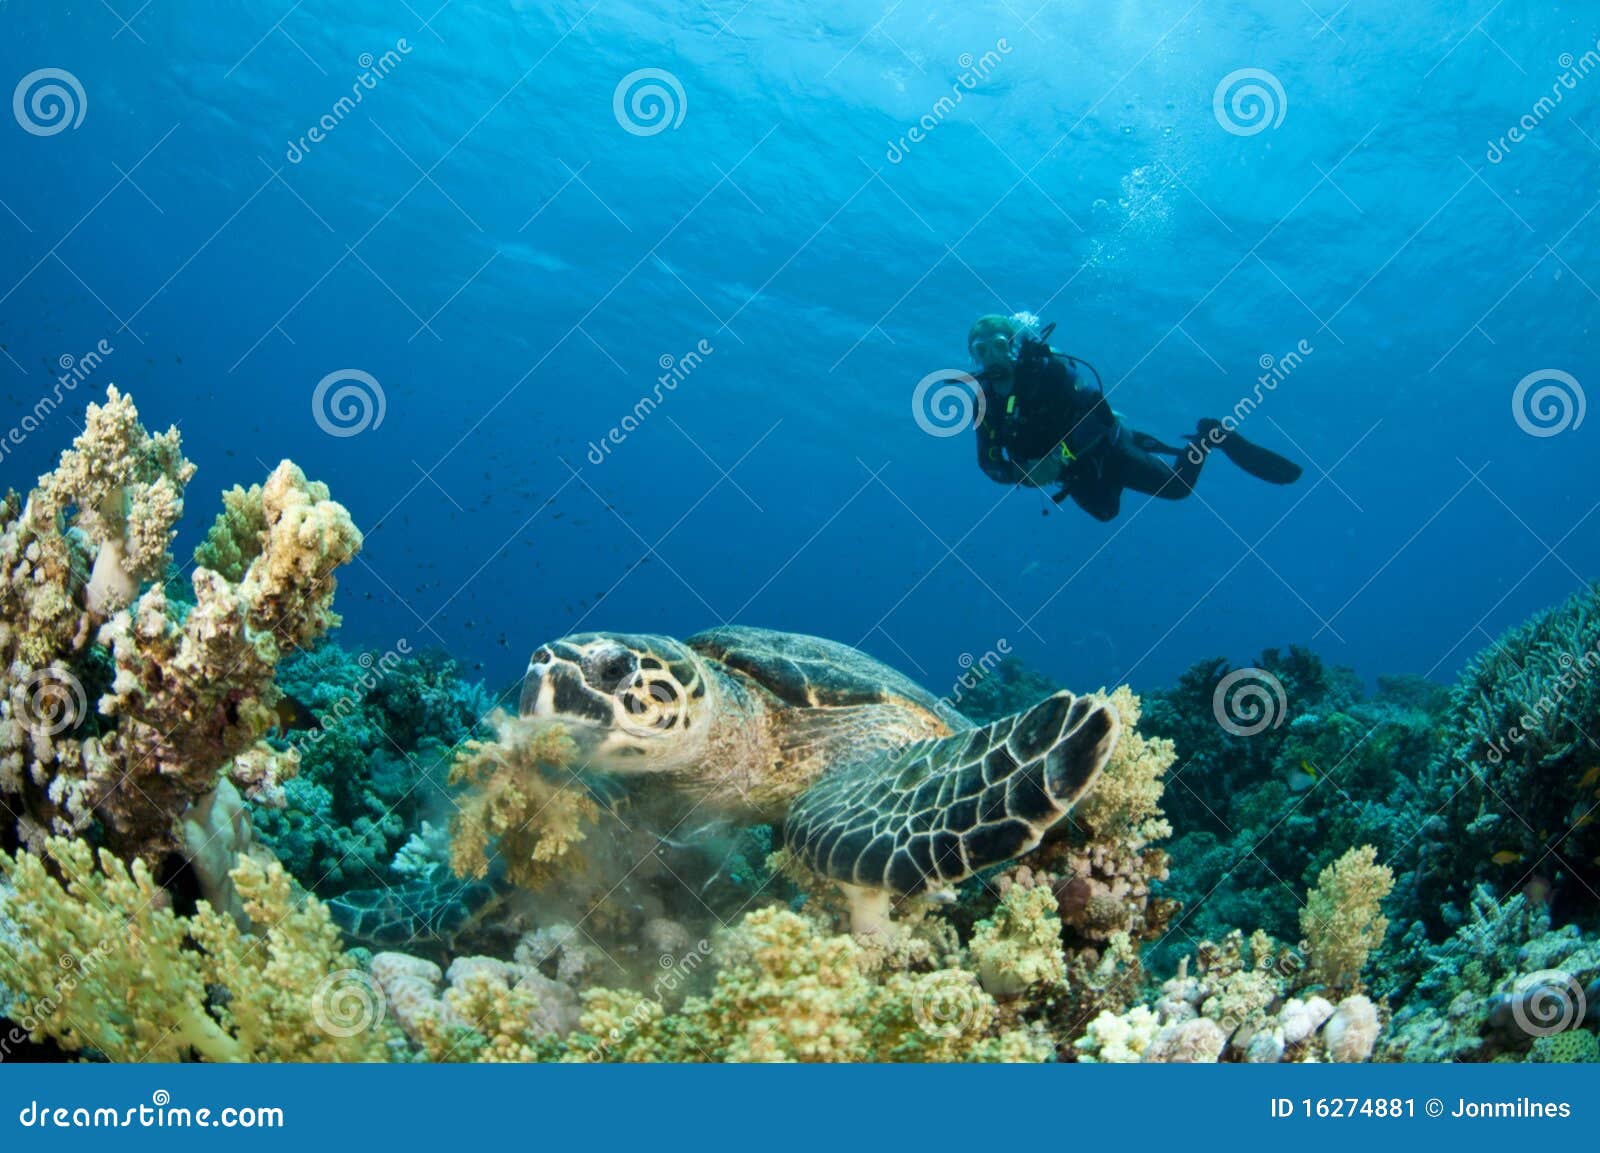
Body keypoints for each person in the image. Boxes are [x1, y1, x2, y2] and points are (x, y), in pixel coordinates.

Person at [967, 312, 1303, 522]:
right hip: (1073, 471)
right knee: (1105, 513)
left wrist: (1059, 458)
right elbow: (988, 462)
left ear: (1013, 345)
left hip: (1107, 447)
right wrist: (1019, 474)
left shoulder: (1051, 372)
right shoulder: (982, 403)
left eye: (997, 345)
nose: (990, 357)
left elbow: (1098, 413)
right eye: (980, 350)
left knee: (1178, 488)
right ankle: (1142, 444)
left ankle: (1210, 435)